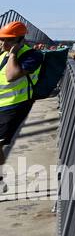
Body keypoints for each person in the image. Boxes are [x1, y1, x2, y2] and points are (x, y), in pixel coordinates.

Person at [0, 22, 43, 164]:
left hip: (14, 105)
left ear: (20, 40)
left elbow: (11, 76)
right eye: (2, 39)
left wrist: (12, 54)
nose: (4, 43)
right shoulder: (2, 55)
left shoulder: (32, 56)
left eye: (9, 40)